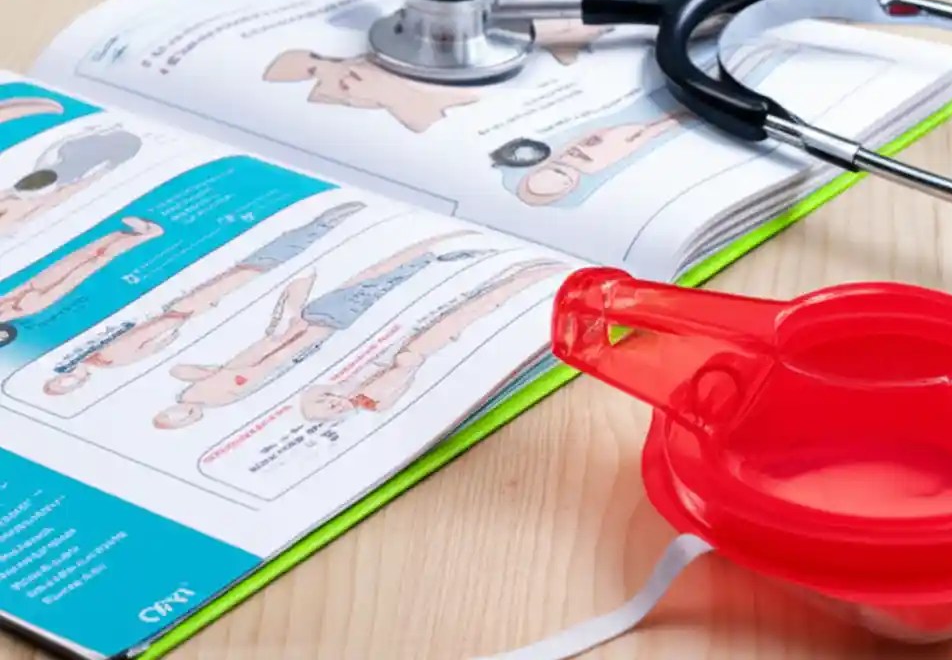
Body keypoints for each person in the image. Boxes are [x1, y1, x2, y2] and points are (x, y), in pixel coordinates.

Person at [152, 230, 495, 429]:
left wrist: (288, 326)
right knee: (381, 282)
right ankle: (436, 254)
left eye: (168, 415)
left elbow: (257, 360)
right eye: (177, 420)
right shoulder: (221, 398)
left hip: (315, 324)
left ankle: (436, 249)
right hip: (322, 329)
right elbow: (270, 364)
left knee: (377, 278)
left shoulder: (205, 390)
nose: (178, 414)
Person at [43, 201, 366, 396]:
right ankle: (325, 229)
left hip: (184, 303)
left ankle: (322, 227)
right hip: (193, 308)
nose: (69, 376)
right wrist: (180, 316)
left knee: (256, 263)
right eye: (69, 384)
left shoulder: (94, 351)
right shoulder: (113, 362)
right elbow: (161, 343)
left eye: (61, 380)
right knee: (261, 266)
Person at [492, 42, 798, 207]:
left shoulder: (578, 148)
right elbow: (638, 137)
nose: (560, 173)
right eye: (561, 181)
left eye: (552, 173)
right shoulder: (596, 163)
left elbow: (619, 135)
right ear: (569, 186)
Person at [298, 259, 566, 422]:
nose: (332, 404)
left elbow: (317, 390)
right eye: (330, 411)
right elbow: (405, 376)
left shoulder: (346, 384)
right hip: (418, 348)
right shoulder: (375, 404)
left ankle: (530, 273)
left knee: (474, 300)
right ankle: (534, 276)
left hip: (409, 341)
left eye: (325, 401)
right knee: (480, 305)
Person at [262, 50, 480, 133]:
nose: (321, 66)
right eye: (311, 70)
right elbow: (422, 121)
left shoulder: (363, 58)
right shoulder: (334, 91)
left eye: (316, 57)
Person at [0, 217, 163, 324]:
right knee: (100, 257)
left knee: (89, 251)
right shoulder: (24, 308)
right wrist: (84, 267)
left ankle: (130, 234)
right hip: (59, 280)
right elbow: (60, 288)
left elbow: (25, 287)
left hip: (46, 277)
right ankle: (148, 235)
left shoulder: (8, 301)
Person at [0, 125, 143, 235]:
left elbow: (58, 150)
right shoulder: (93, 153)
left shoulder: (88, 149)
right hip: (47, 183)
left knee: (19, 205)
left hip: (47, 183)